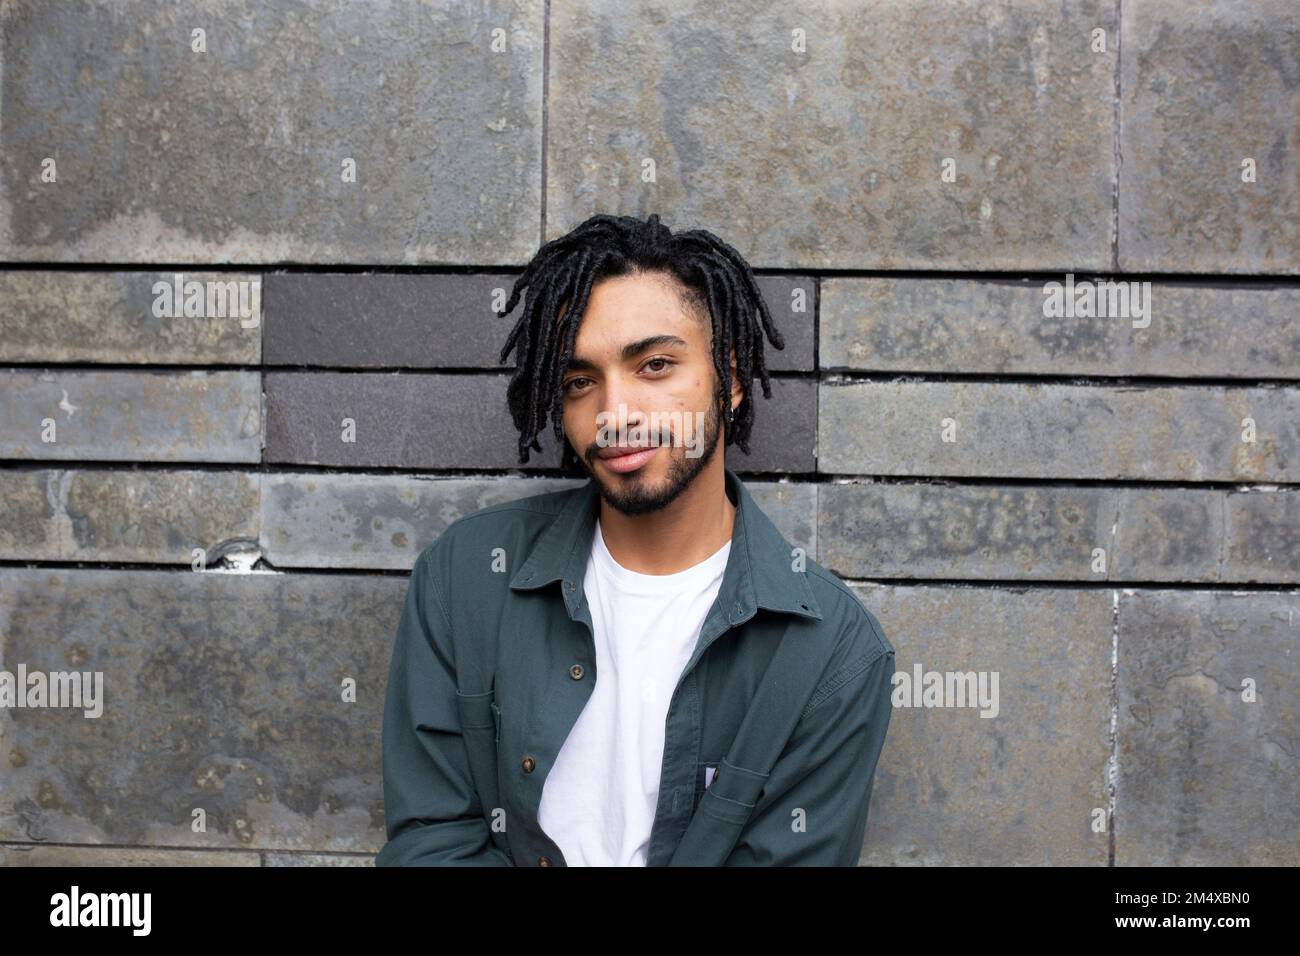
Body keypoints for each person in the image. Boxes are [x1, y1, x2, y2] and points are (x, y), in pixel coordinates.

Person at [376, 213, 894, 866]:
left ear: (729, 380)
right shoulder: (465, 577)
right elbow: (433, 842)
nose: (615, 413)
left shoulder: (831, 653)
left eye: (654, 365)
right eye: (579, 381)